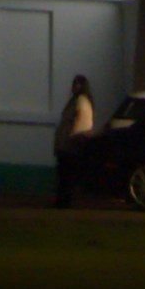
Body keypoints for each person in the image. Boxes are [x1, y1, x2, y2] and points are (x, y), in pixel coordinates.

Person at [52, 73, 99, 207]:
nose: (75, 86)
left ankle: (64, 201)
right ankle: (63, 200)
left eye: (78, 84)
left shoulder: (81, 101)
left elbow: (80, 122)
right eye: (74, 83)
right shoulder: (77, 100)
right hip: (68, 143)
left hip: (70, 144)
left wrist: (71, 139)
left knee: (66, 175)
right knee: (65, 174)